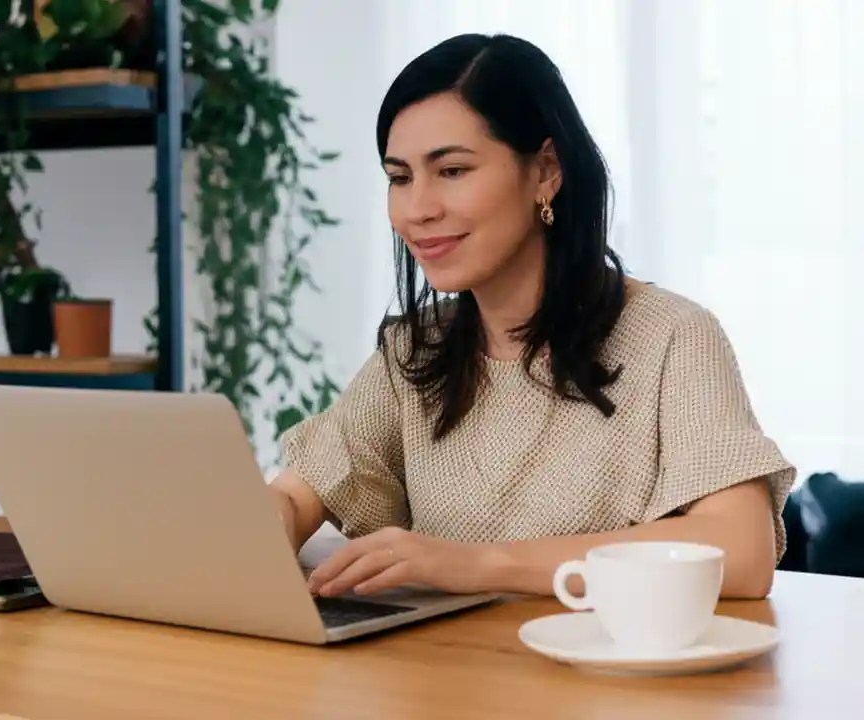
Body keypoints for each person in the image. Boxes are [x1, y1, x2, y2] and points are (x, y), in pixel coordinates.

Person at [269, 33, 796, 602]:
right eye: (400, 178)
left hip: (608, 684)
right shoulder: (415, 349)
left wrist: (478, 565)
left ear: (546, 170)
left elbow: (741, 555)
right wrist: (259, 529)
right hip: (450, 681)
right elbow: (298, 495)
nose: (418, 209)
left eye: (451, 171)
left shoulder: (672, 336)